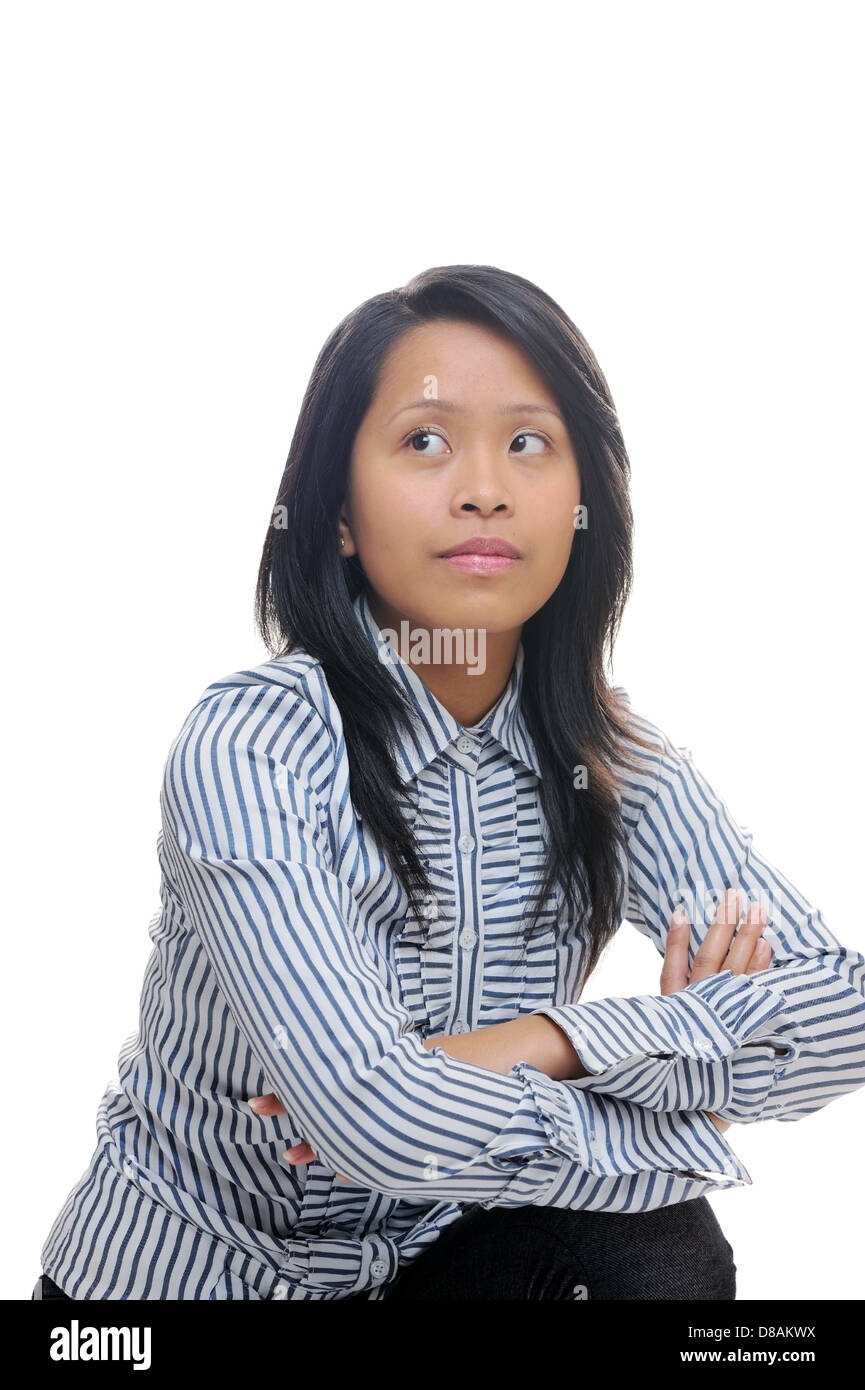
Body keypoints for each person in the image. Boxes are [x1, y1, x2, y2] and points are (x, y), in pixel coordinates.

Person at [34, 264, 865, 1301]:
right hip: (189, 1283)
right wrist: (682, 1095)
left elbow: (845, 1008)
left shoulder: (615, 761)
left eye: (528, 442)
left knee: (653, 1254)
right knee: (651, 1211)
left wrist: (548, 1038)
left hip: (433, 1268)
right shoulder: (251, 747)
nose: (484, 487)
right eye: (425, 441)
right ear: (335, 513)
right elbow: (369, 1123)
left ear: (581, 508)